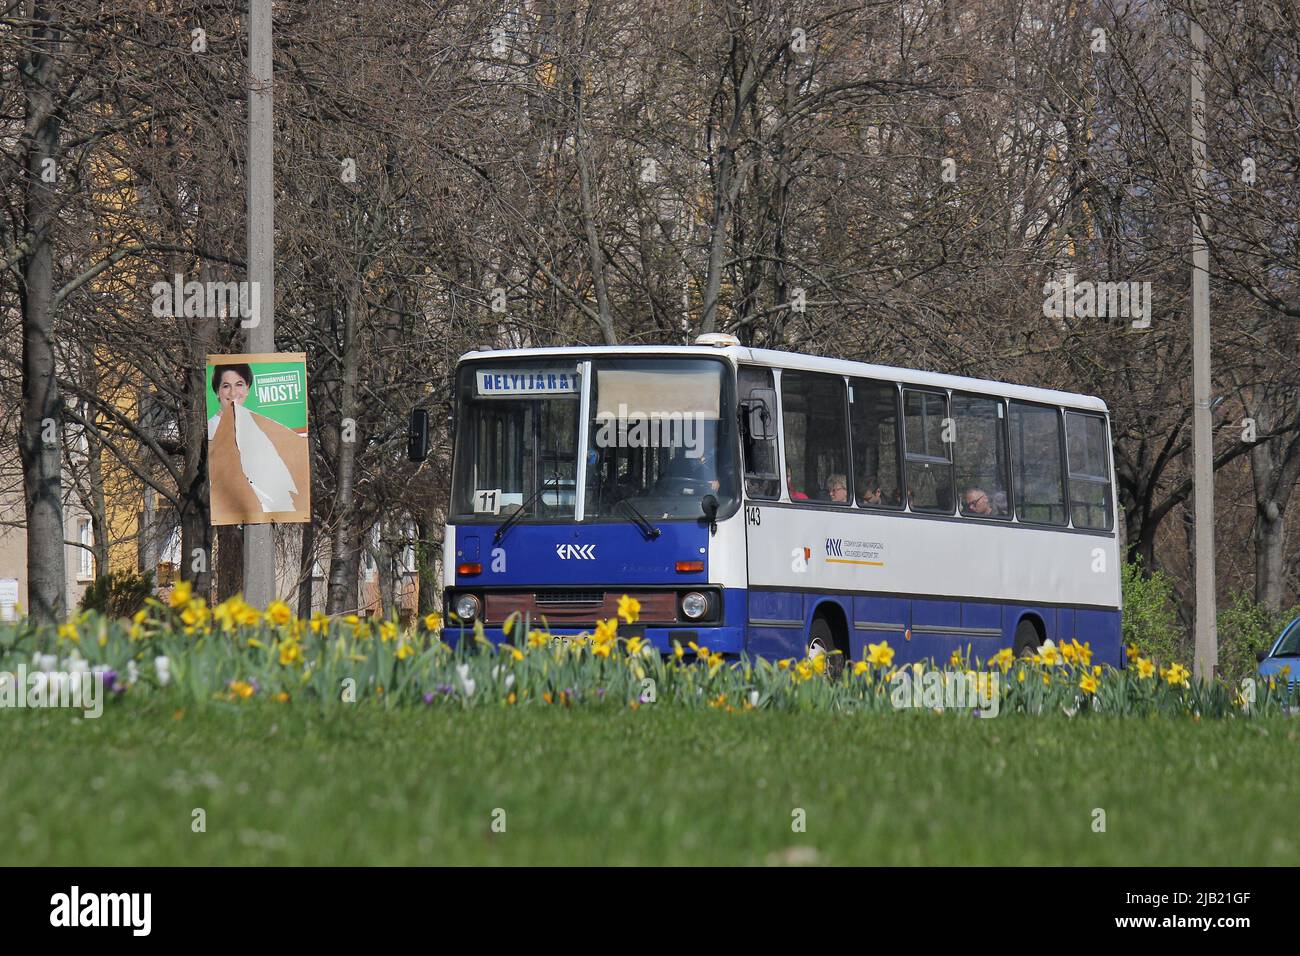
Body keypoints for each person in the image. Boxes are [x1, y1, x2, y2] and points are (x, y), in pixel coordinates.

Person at [208, 363, 253, 439]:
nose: (233, 393)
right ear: (217, 392)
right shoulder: (210, 428)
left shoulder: (255, 424)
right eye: (226, 386)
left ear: (247, 389)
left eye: (239, 384)